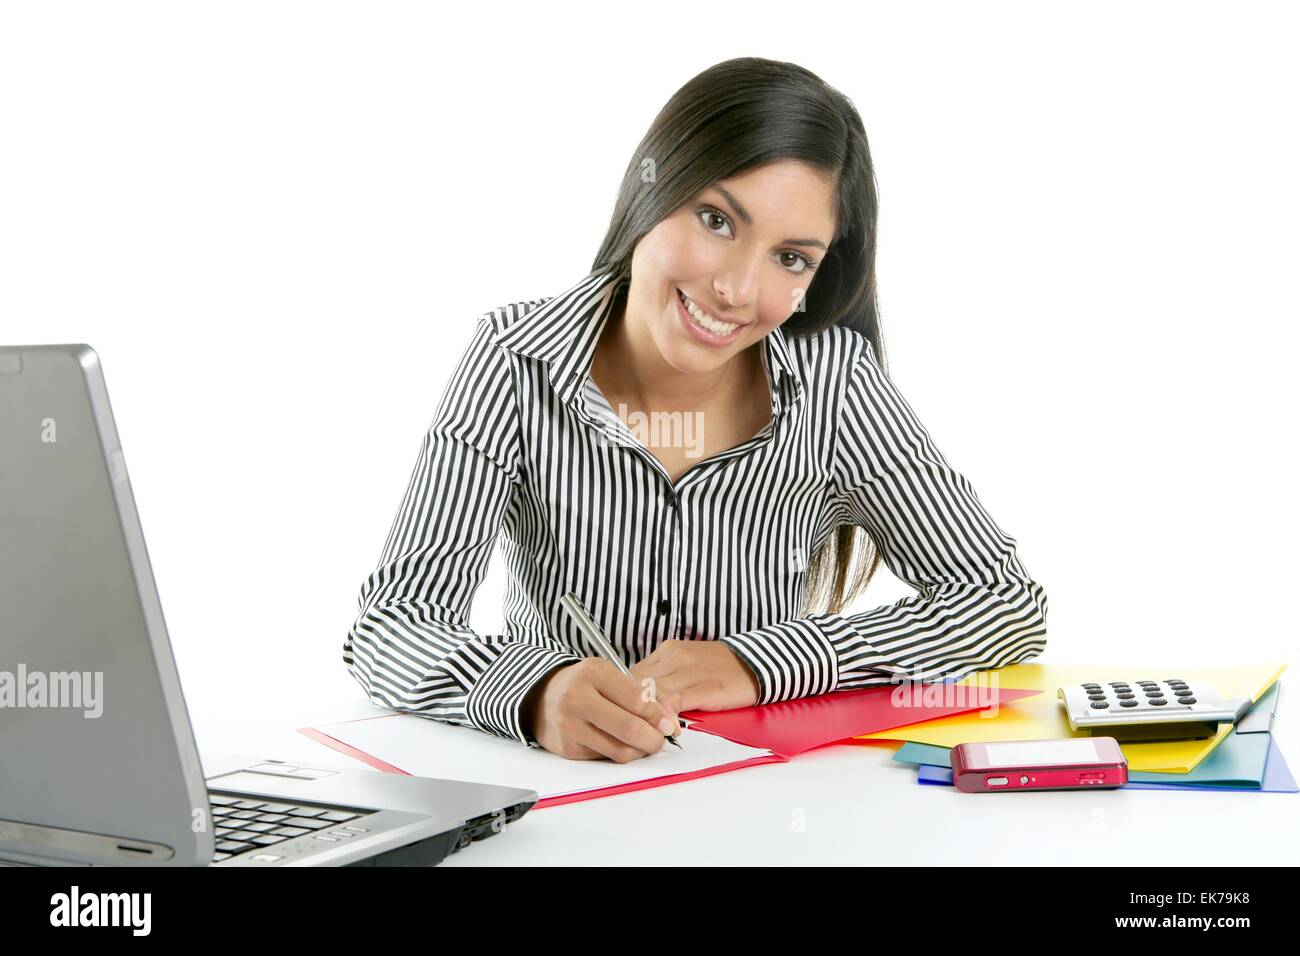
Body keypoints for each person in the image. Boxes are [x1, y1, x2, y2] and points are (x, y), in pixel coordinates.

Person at [342, 57, 1048, 763]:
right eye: (716, 220)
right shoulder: (516, 359)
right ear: (653, 189)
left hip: (755, 802)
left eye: (791, 259)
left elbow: (1002, 603)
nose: (738, 289)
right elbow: (392, 626)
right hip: (560, 801)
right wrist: (536, 690)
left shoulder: (833, 382)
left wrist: (757, 663)